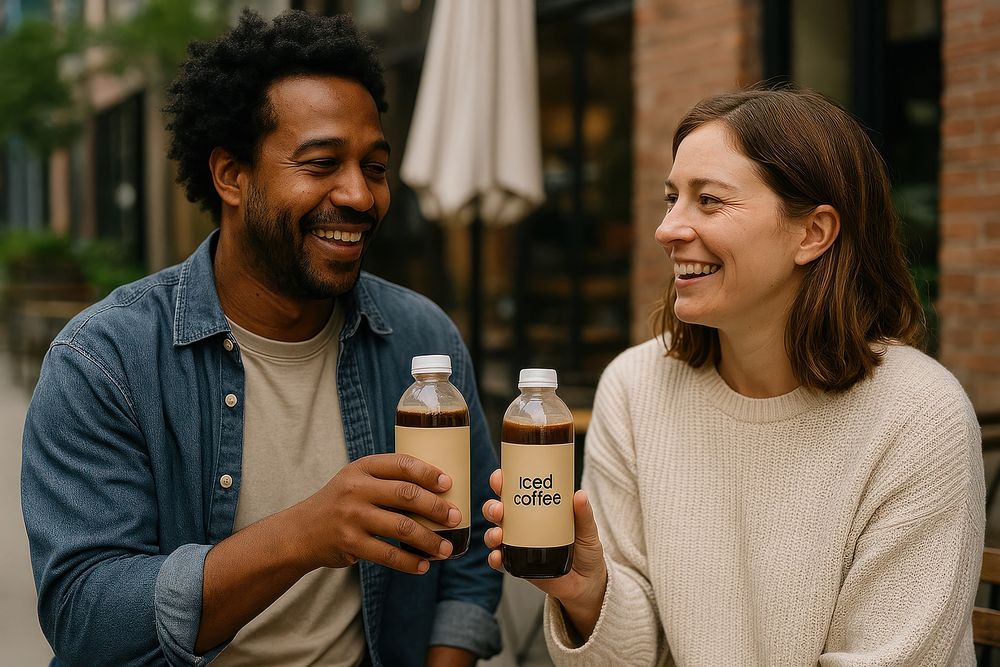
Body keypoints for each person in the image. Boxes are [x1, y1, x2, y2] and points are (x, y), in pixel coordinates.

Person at [21, 9, 501, 667]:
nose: (360, 194)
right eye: (322, 162)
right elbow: (86, 616)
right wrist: (304, 534)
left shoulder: (420, 337)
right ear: (231, 176)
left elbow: (468, 556)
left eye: (376, 166)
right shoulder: (104, 360)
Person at [483, 86, 985, 665]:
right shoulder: (634, 387)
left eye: (710, 201)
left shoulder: (919, 416)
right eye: (671, 199)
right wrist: (587, 591)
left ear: (813, 233)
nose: (668, 229)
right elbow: (633, 653)